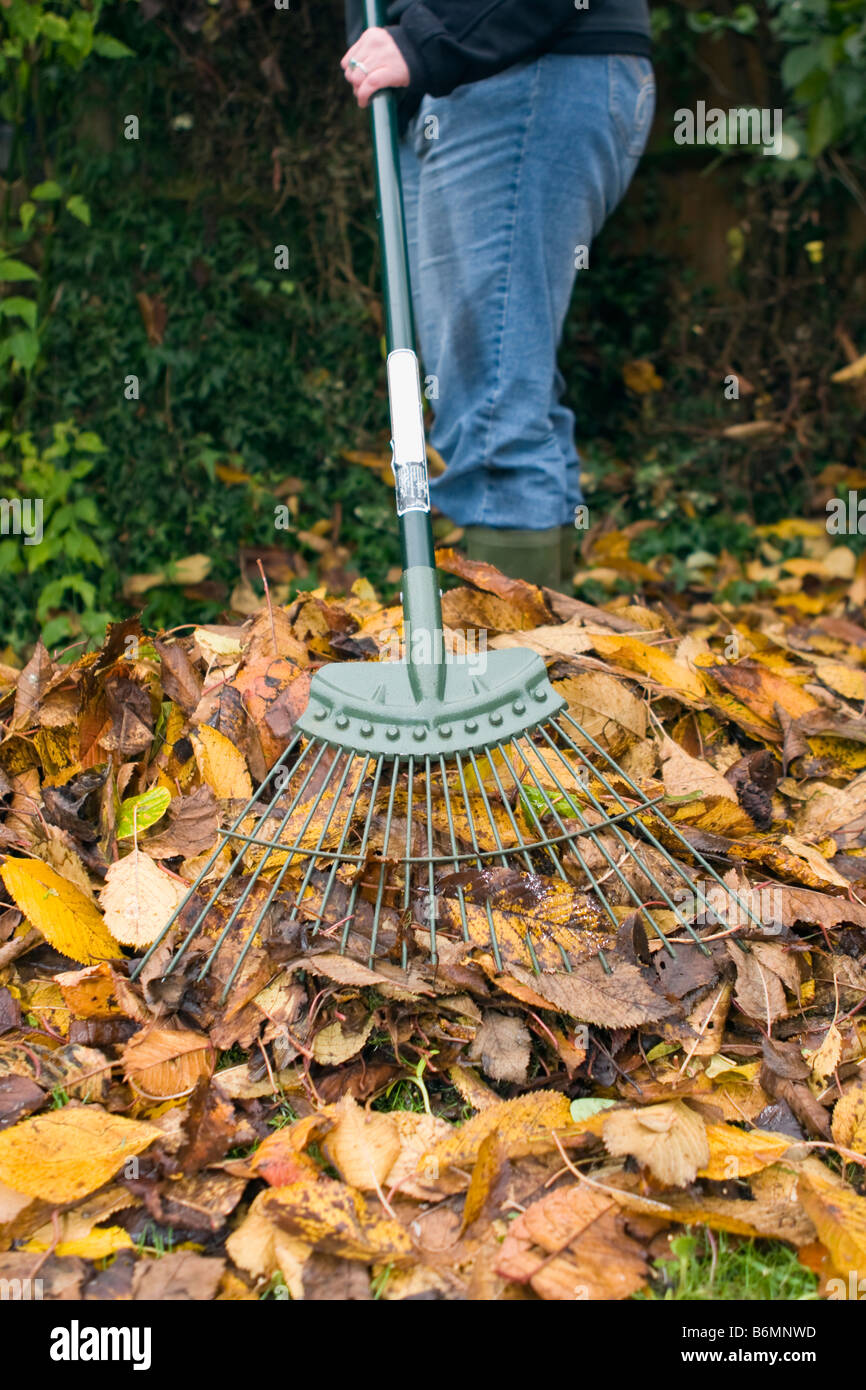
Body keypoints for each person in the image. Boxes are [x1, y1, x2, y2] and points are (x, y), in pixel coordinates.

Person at [342, 1, 655, 588]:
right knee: (498, 392)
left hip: (519, 70)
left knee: (493, 406)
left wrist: (429, 40)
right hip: (446, 87)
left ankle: (509, 657)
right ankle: (544, 647)